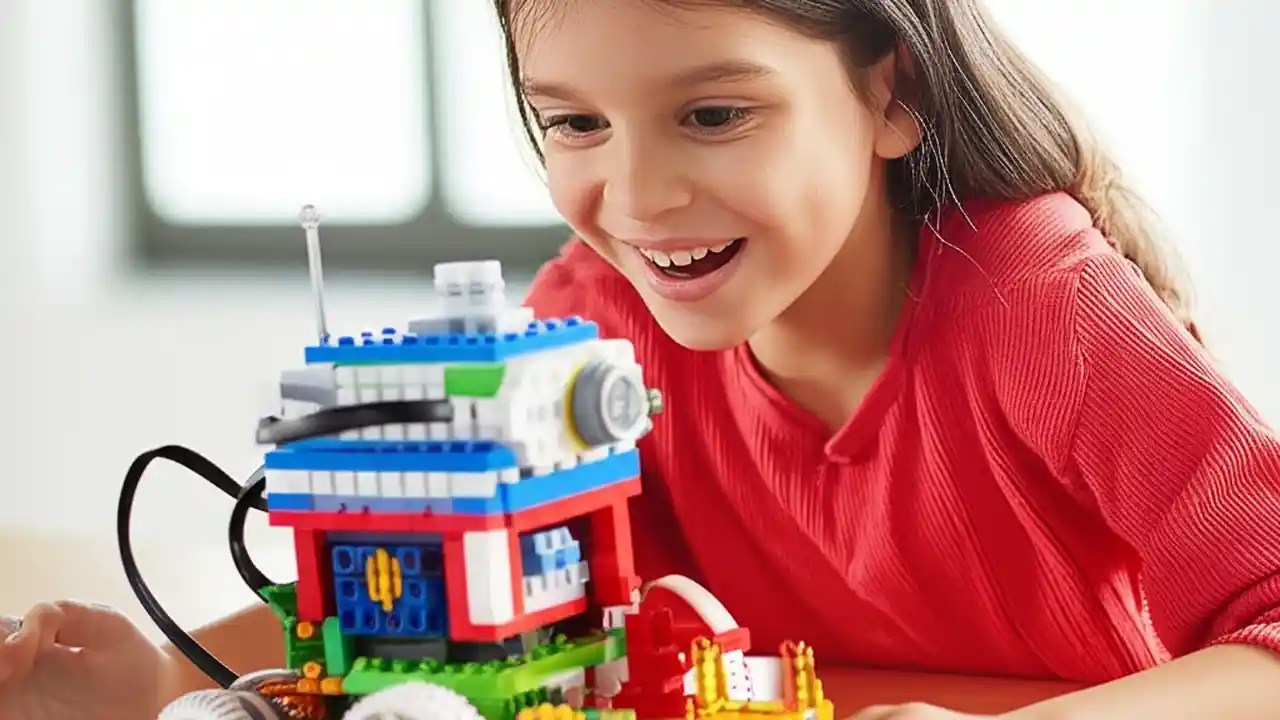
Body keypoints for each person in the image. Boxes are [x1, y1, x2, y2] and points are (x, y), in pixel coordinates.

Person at [5, 0, 1280, 718]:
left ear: (894, 95)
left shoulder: (1043, 309)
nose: (639, 193)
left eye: (714, 114)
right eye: (574, 123)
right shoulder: (598, 325)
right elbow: (453, 595)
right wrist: (168, 667)